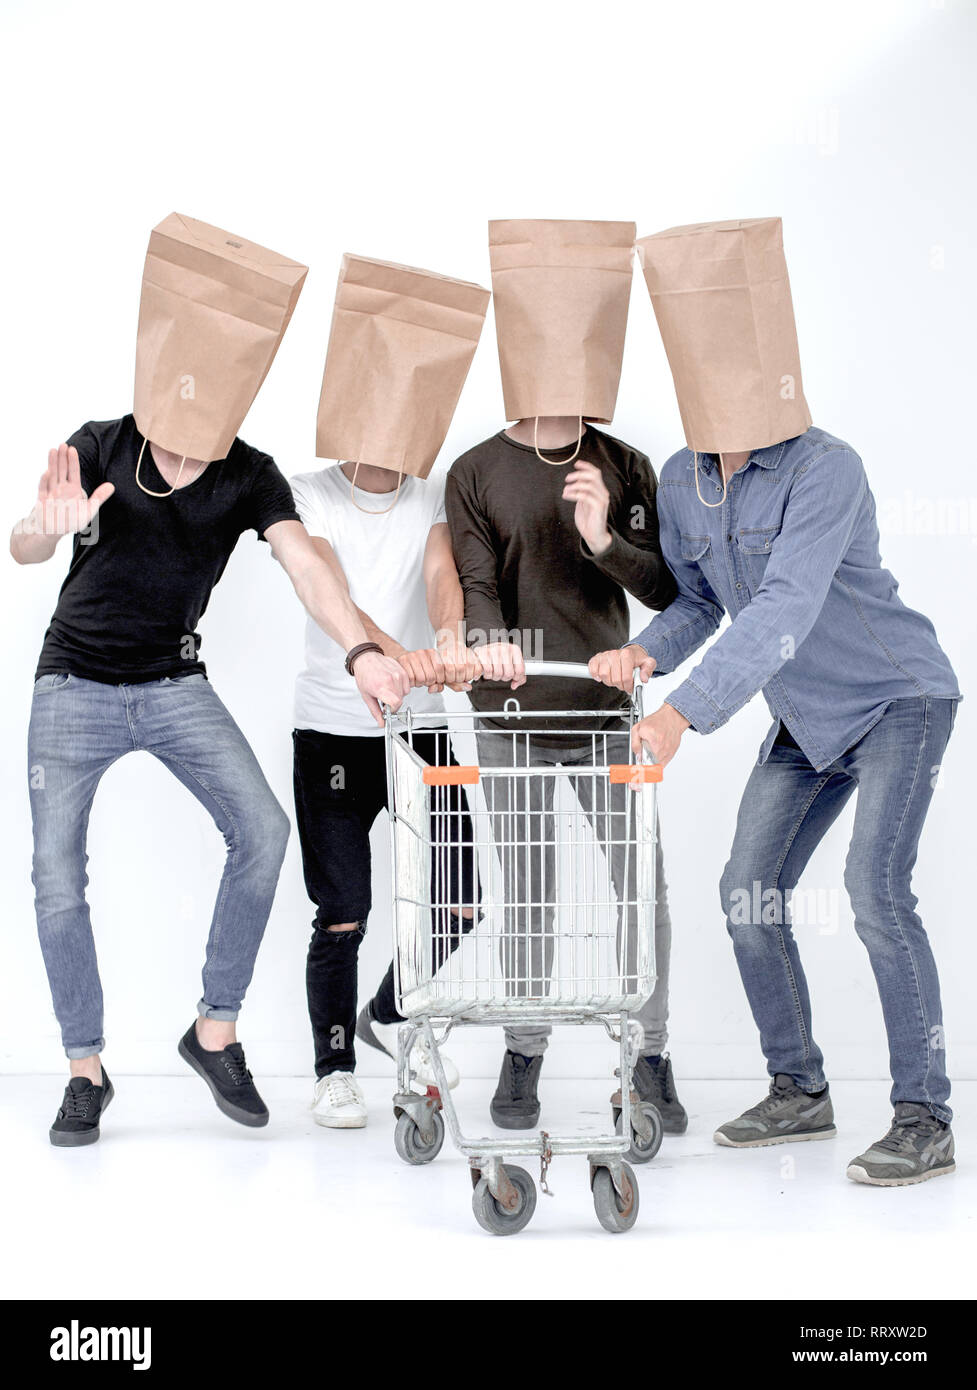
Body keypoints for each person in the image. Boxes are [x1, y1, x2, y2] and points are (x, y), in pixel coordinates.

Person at [591, 217, 960, 1185]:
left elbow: (788, 605)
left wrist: (679, 715)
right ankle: (798, 1089)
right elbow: (706, 605)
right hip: (803, 721)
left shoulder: (823, 466)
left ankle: (922, 1113)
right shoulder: (680, 480)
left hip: (895, 701)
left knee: (875, 895)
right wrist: (641, 655)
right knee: (746, 897)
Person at [12, 425, 408, 1147]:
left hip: (173, 682)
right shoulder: (103, 442)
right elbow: (23, 545)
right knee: (56, 878)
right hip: (73, 684)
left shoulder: (250, 473)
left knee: (261, 830)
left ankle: (214, 1032)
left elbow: (307, 564)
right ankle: (84, 1071)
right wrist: (45, 526)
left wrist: (361, 651)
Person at [446, 413, 684, 1131]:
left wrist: (601, 539)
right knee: (527, 894)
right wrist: (489, 645)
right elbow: (475, 581)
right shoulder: (474, 471)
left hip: (606, 716)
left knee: (639, 885)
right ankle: (523, 1051)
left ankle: (647, 1055)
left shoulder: (625, 464)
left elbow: (667, 591)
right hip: (510, 721)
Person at [290, 457, 482, 1128]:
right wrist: (402, 655)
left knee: (462, 898)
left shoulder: (431, 495)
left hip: (420, 729)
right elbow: (329, 589)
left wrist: (450, 638)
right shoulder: (308, 493)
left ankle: (392, 1014)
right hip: (332, 731)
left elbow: (439, 575)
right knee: (343, 910)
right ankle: (334, 1072)